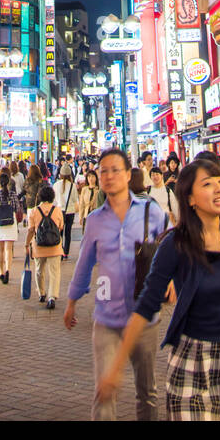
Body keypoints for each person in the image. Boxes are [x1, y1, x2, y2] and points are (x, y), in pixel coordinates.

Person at [96, 157, 220, 422]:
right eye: (207, 184)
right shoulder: (175, 245)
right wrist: (116, 366)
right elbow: (147, 303)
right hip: (193, 358)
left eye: (219, 182)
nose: (218, 189)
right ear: (190, 199)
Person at [65, 147, 167, 421]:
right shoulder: (95, 220)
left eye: (115, 170)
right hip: (107, 317)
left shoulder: (151, 212)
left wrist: (171, 283)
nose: (109, 176)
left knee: (147, 391)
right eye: (104, 171)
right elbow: (85, 262)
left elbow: (169, 249)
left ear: (128, 174)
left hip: (145, 317)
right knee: (104, 391)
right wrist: (72, 302)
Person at [27, 182, 64, 309]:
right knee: (54, 272)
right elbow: (60, 227)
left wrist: (27, 244)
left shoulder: (34, 211)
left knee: (39, 270)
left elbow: (31, 229)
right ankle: (52, 297)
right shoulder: (57, 210)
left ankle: (42, 293)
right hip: (55, 246)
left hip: (39, 246)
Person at [0, 169, 22, 283]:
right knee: (8, 249)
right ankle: (8, 270)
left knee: (0, 249)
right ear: (8, 182)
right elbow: (17, 209)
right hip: (11, 222)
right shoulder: (12, 195)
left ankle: (1, 272)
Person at [54, 163, 80, 258]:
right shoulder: (73, 186)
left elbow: (54, 200)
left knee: (59, 232)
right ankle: (66, 253)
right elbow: (74, 199)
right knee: (68, 233)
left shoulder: (56, 185)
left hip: (59, 211)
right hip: (70, 211)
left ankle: (59, 251)